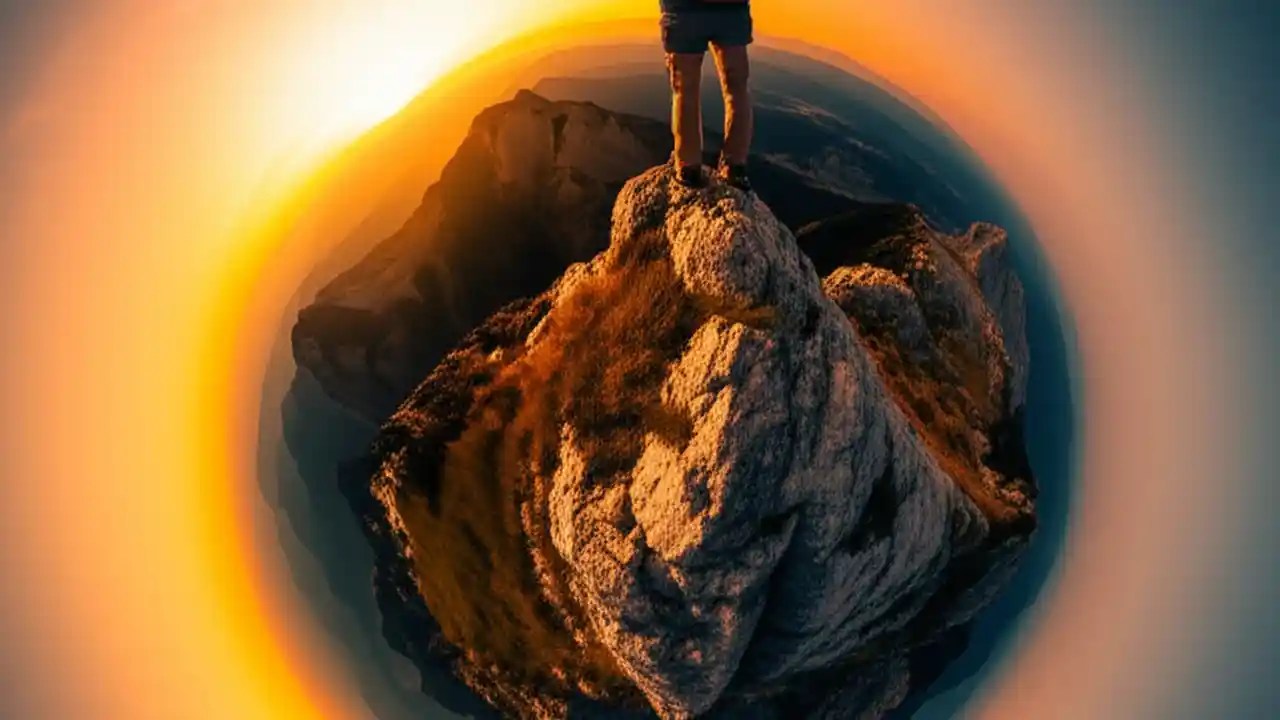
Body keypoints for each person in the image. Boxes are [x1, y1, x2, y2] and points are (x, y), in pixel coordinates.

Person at [660, 0, 754, 191]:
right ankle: (734, 166)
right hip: (731, 9)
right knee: (735, 83)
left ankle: (689, 167)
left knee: (684, 84)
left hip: (686, 11)